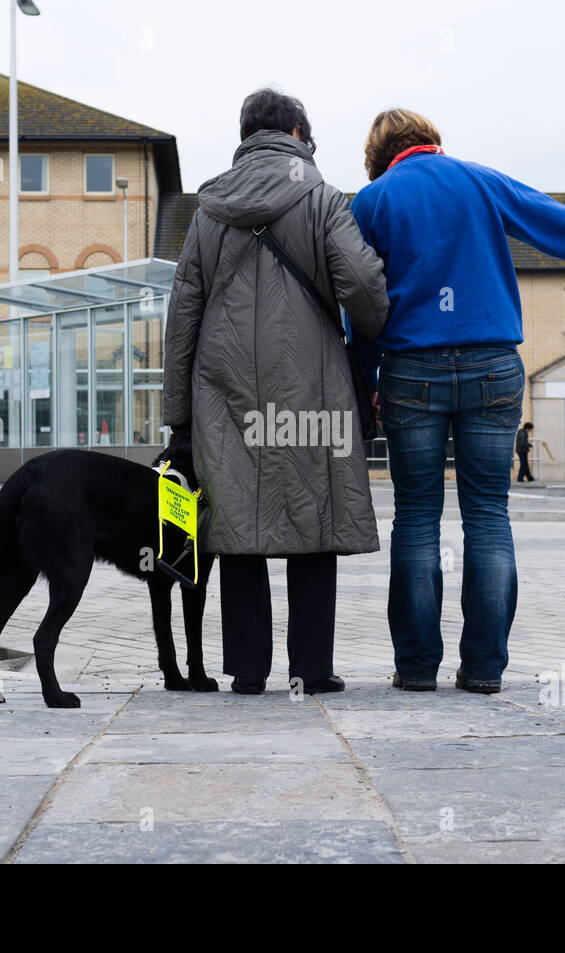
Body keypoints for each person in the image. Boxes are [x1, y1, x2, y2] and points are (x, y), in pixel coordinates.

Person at [349, 109, 565, 694]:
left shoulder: (371, 201)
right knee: (488, 515)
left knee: (417, 517)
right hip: (492, 365)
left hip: (412, 369)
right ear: (430, 139)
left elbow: (360, 295)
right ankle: (483, 669)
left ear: (378, 155)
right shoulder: (481, 180)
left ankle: (417, 668)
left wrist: (368, 374)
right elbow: (557, 222)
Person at [162, 89, 389, 695]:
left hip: (224, 392)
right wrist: (374, 327)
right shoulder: (322, 198)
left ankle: (248, 670)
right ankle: (311, 669)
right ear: (296, 133)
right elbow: (363, 286)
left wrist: (178, 416)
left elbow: (182, 316)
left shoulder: (209, 211)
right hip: (310, 387)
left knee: (238, 521)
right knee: (314, 517)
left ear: (245, 135)